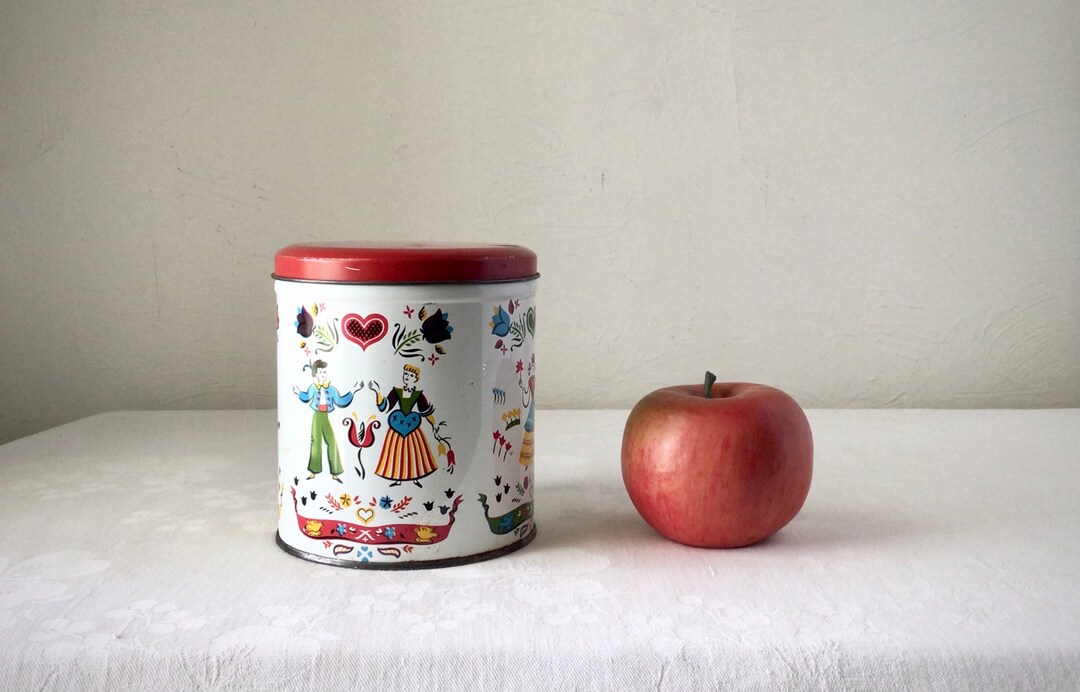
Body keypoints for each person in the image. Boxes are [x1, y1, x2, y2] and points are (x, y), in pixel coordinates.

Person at [373, 364, 439, 487]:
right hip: (396, 427)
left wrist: (434, 425)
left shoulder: (419, 394)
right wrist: (377, 392)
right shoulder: (396, 391)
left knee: (414, 452)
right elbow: (385, 407)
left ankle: (415, 477)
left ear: (416, 379)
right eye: (406, 374)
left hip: (412, 427)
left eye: (411, 375)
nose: (407, 377)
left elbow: (425, 412)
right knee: (396, 453)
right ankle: (398, 479)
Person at [294, 360, 356, 483]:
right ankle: (313, 471)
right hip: (317, 416)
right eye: (321, 372)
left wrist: (352, 392)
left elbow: (340, 401)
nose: (323, 374)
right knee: (316, 442)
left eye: (324, 372)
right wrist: (298, 392)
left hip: (325, 415)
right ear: (315, 374)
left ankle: (335, 472)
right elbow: (306, 397)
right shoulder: (313, 387)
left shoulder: (330, 388)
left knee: (332, 441)